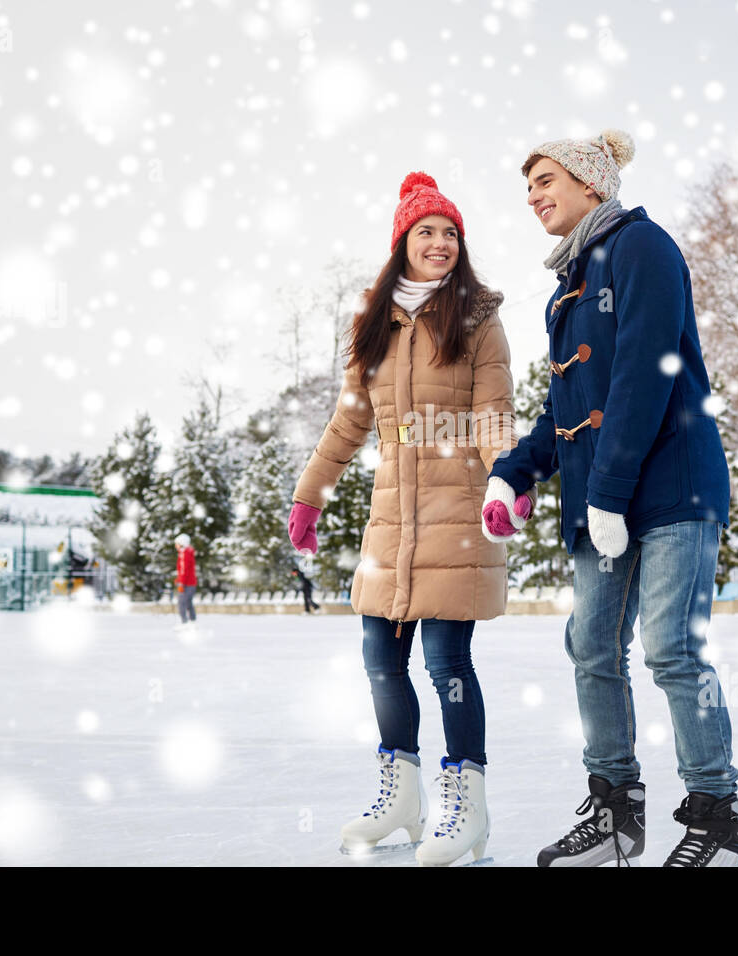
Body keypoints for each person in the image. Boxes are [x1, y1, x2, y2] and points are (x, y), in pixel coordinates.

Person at [483, 129, 738, 867]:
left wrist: (608, 490)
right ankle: (615, 813)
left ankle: (717, 821)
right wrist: (514, 470)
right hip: (605, 502)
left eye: (545, 179)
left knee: (671, 649)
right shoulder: (567, 288)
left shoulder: (642, 247)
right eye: (528, 186)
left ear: (591, 182)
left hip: (668, 486)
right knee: (591, 646)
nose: (534, 195)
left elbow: (644, 374)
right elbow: (565, 407)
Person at [287, 171, 535, 866]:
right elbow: (349, 423)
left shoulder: (479, 319)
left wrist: (505, 479)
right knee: (380, 661)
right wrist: (311, 492)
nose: (441, 242)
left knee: (447, 662)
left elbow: (493, 414)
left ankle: (468, 810)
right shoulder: (375, 327)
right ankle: (401, 798)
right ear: (401, 243)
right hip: (392, 520)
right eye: (427, 231)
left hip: (458, 513)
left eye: (451, 232)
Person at [174, 533, 197, 624]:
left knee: (182, 603)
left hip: (186, 584)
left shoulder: (184, 554)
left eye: (177, 543)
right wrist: (178, 579)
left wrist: (181, 583)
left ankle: (185, 623)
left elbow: (184, 570)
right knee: (188, 603)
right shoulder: (187, 553)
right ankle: (192, 622)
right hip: (191, 583)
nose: (176, 546)